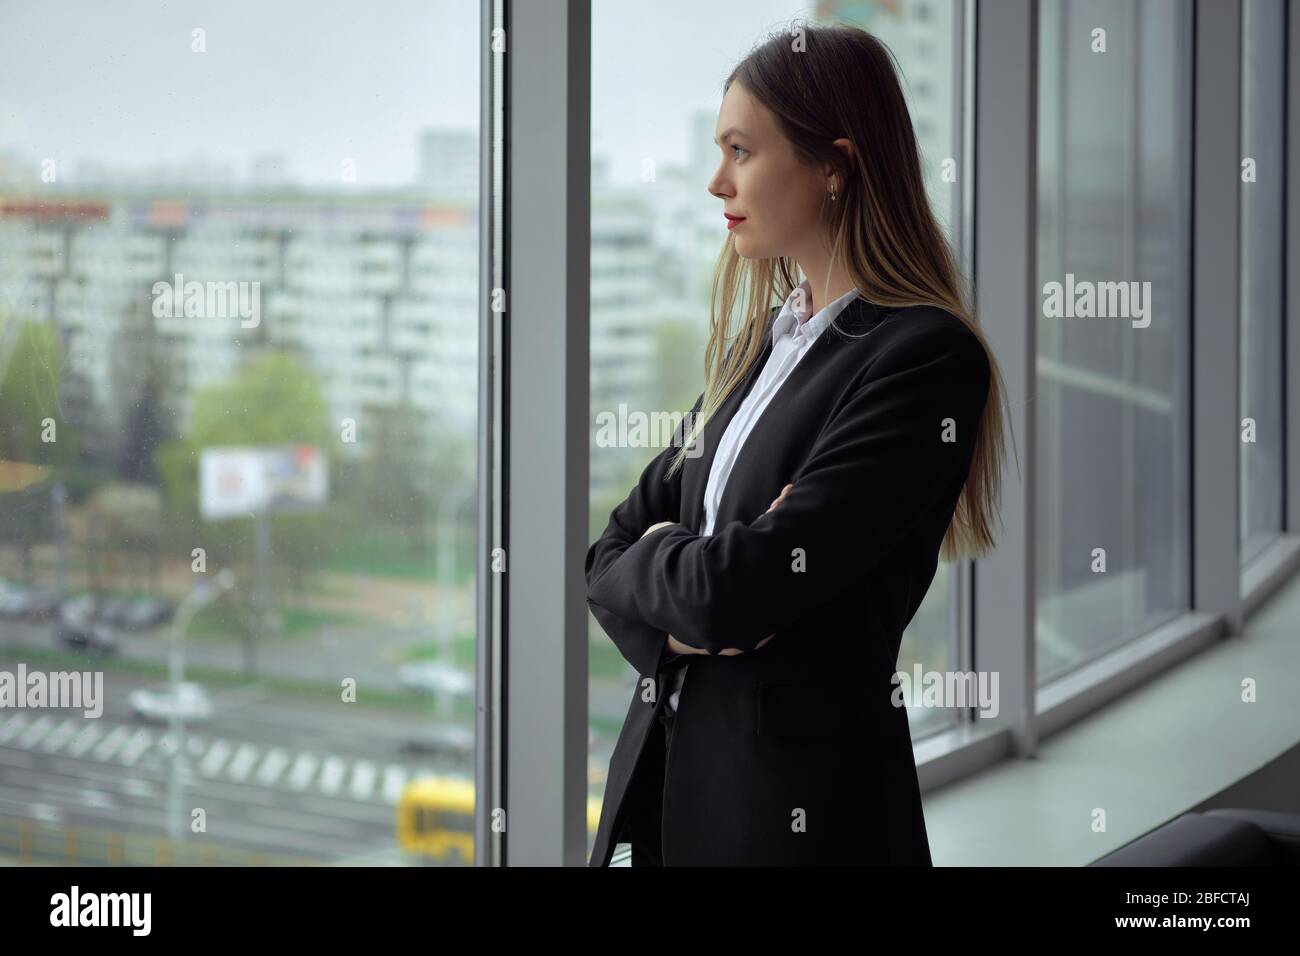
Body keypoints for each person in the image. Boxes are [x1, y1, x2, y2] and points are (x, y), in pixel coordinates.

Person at [586, 22, 1008, 867]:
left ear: (834, 164)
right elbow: (606, 557)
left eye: (741, 150)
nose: (717, 182)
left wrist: (695, 574)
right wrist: (691, 565)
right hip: (667, 804)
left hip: (799, 826)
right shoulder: (760, 348)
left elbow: (732, 592)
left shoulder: (922, 358)